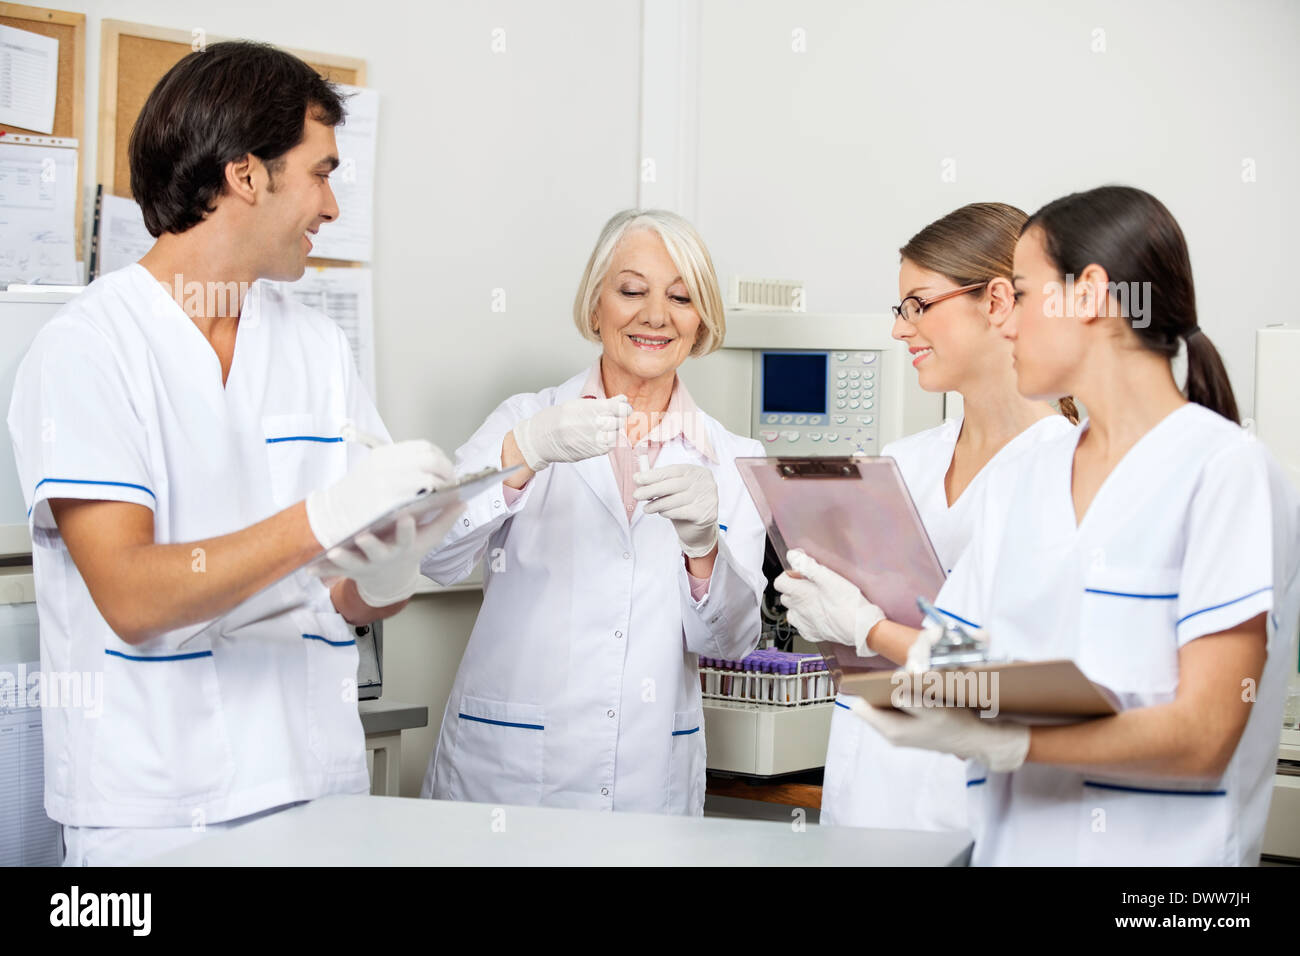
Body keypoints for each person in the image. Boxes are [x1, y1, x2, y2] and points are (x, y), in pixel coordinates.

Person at [7, 41, 455, 866]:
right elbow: (134, 596)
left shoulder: (317, 348)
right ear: (246, 175)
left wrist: (387, 577)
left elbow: (344, 594)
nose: (330, 206)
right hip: (154, 814)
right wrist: (324, 517)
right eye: (320, 173)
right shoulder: (88, 350)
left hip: (318, 787)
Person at [850, 185, 1300, 865]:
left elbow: (1207, 733)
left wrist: (1020, 743)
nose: (1005, 324)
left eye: (1022, 297)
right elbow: (974, 665)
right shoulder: (1022, 477)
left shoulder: (1224, 472)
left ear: (1088, 295)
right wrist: (865, 636)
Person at [419, 209, 766, 814]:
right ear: (596, 303)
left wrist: (705, 549)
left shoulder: (733, 459)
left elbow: (730, 643)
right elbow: (433, 554)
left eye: (681, 297)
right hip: (506, 775)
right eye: (631, 290)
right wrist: (523, 453)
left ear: (701, 317)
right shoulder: (524, 420)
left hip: (646, 773)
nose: (655, 315)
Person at [774, 203, 1075, 832]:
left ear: (997, 301)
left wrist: (868, 627)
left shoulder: (1065, 471)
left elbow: (1025, 679)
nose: (900, 330)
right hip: (865, 781)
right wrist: (825, 607)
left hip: (964, 800)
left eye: (919, 305)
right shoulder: (902, 465)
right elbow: (863, 645)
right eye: (899, 309)